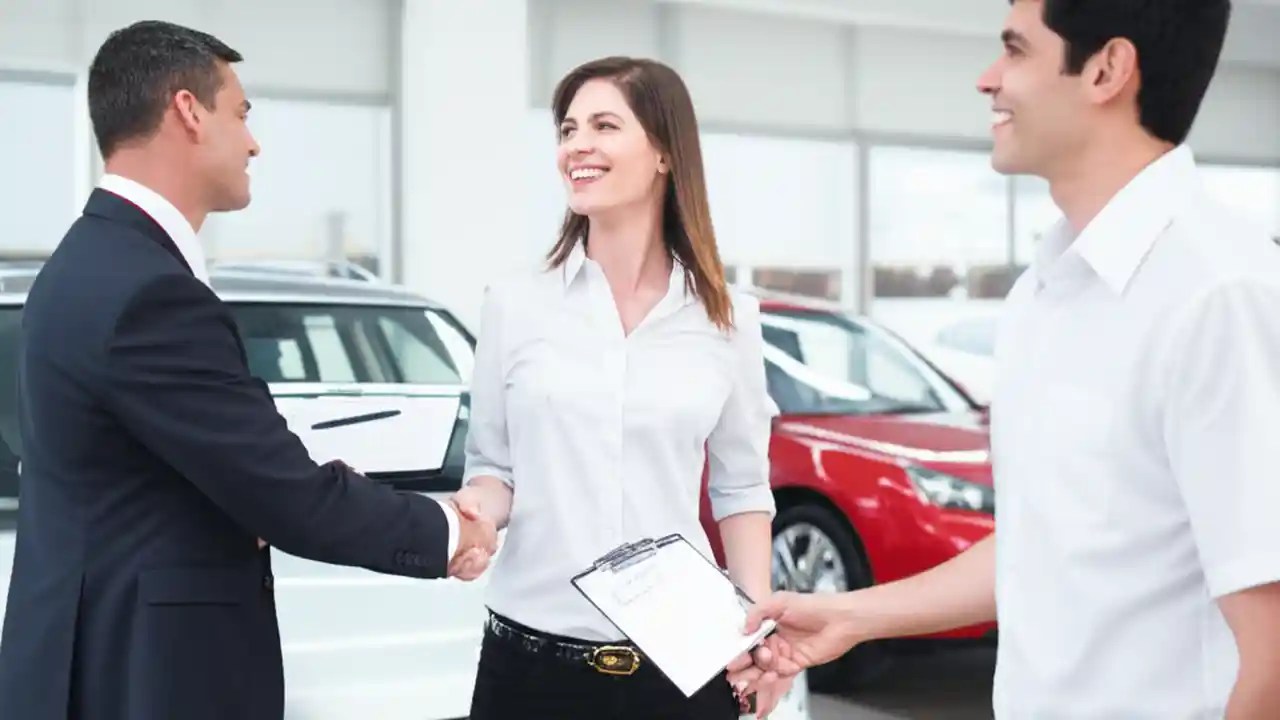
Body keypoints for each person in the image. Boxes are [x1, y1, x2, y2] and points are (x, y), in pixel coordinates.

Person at [734, 1, 1280, 718]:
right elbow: (1036, 546)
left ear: (1107, 70)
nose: (988, 80)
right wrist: (853, 616)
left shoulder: (1222, 292)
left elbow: (1271, 649)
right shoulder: (1041, 295)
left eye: (1016, 51)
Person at [0, 20, 496, 720]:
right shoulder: (148, 291)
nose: (254, 141)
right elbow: (279, 492)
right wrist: (448, 530)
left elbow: (177, 470)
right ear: (187, 111)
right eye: (241, 113)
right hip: (143, 679)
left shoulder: (86, 264)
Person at [449, 56, 787, 719]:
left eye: (605, 125)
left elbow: (742, 490)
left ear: (665, 153)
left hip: (683, 665)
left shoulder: (728, 319)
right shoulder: (515, 304)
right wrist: (473, 518)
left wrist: (757, 633)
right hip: (532, 667)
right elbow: (493, 469)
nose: (578, 145)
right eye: (569, 129)